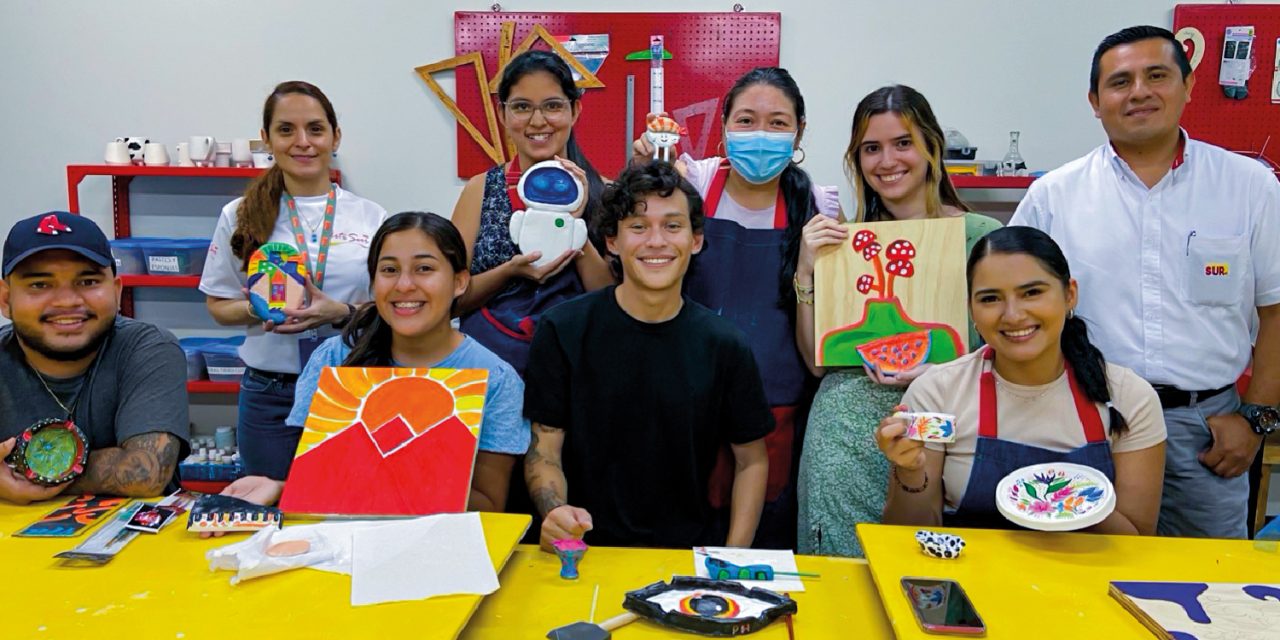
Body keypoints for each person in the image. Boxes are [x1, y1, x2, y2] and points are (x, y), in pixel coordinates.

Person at [1010, 26, 1280, 539]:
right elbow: (1011, 307)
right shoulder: (1054, 195)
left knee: (1206, 595)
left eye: (1157, 76)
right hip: (1083, 421)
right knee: (1075, 583)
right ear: (1095, 100)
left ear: (1188, 85)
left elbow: (1276, 312)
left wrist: (1255, 420)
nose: (1138, 92)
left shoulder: (1250, 188)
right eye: (1120, 82)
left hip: (1206, 434)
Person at [631, 67, 839, 548]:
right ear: (723, 126)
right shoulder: (694, 184)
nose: (760, 135)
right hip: (682, 404)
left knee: (755, 546)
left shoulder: (821, 208)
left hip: (775, 413)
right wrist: (643, 164)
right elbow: (641, 236)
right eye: (746, 121)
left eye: (777, 123)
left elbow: (825, 338)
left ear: (799, 132)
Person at [796, 85, 1002, 556]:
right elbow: (817, 363)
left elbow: (1011, 355)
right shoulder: (843, 242)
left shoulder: (984, 239)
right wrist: (806, 270)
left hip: (944, 433)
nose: (887, 160)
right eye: (871, 148)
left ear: (931, 146)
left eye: (902, 143)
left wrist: (941, 374)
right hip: (843, 439)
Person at [523, 161, 772, 550]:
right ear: (612, 241)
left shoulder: (725, 344)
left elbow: (752, 461)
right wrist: (555, 511)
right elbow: (545, 449)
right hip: (586, 552)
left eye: (672, 226)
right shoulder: (562, 330)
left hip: (687, 554)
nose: (656, 241)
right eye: (638, 227)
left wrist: (731, 558)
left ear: (695, 240)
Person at [215, 212, 530, 510]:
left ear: (460, 282)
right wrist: (281, 487)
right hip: (343, 545)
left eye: (424, 269)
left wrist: (394, 468)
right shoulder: (335, 359)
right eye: (389, 270)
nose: (404, 285)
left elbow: (489, 505)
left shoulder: (495, 379)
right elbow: (320, 481)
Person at [877, 226, 1167, 534]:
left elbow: (1136, 542)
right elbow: (908, 536)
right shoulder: (936, 392)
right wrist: (910, 469)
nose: (1013, 315)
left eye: (1032, 293)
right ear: (971, 310)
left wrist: (1065, 499)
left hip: (1088, 577)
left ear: (1070, 295)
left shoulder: (1129, 397)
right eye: (990, 299)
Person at [200, 81, 388, 481]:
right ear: (266, 138)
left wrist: (341, 312)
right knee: (271, 517)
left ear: (335, 137)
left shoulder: (372, 217)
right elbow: (217, 306)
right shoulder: (239, 215)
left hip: (350, 383)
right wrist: (258, 306)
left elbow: (392, 308)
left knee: (349, 509)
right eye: (286, 130)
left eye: (315, 129)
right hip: (270, 395)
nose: (302, 142)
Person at [0, 211, 189, 504]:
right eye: (39, 285)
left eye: (87, 282)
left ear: (116, 291)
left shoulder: (148, 347)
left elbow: (146, 472)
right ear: (5, 299)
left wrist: (23, 471)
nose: (67, 301)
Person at [452, 50, 614, 377]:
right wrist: (510, 272)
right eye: (522, 107)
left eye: (553, 106)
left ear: (575, 109)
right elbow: (450, 297)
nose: (537, 121)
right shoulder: (480, 190)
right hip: (490, 374)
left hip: (579, 374)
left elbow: (615, 301)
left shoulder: (606, 193)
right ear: (502, 113)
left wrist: (573, 229)